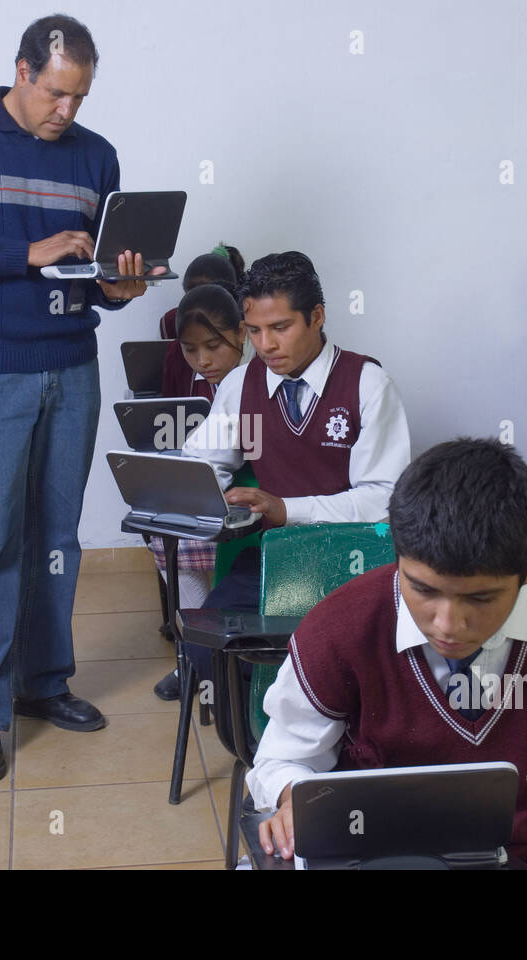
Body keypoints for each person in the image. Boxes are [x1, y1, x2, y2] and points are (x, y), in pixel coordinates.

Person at [0, 14, 160, 782]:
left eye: (79, 97)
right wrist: (26, 252)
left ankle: (45, 684)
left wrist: (121, 286)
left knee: (56, 536)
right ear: (21, 72)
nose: (66, 112)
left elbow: (102, 281)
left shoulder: (97, 156)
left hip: (72, 365)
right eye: (54, 94)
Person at [248, 438, 527, 869]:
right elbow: (284, 757)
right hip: (376, 857)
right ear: (397, 554)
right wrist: (295, 798)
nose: (447, 625)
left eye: (482, 599)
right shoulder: (339, 628)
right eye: (423, 590)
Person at [157, 250, 411, 700]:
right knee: (203, 651)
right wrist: (202, 492)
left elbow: (383, 499)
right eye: (254, 331)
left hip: (355, 559)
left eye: (280, 328)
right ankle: (259, 748)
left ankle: (312, 739)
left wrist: (284, 509)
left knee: (335, 657)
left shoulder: (366, 383)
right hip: (276, 558)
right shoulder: (241, 386)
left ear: (317, 317)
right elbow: (205, 463)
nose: (266, 345)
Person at [149, 286, 251, 699]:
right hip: (224, 486)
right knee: (163, 534)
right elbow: (206, 454)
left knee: (178, 535)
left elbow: (231, 456)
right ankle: (205, 647)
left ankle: (209, 648)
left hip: (261, 499)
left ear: (242, 333)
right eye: (191, 350)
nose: (203, 360)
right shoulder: (196, 371)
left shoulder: (252, 377)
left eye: (214, 345)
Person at [157, 244, 245, 338]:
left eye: (213, 346)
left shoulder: (247, 322)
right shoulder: (171, 321)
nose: (196, 305)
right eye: (190, 348)